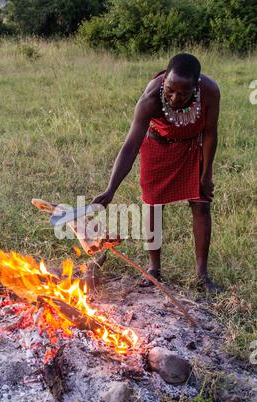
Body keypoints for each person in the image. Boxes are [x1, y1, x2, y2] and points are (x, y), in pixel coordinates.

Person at [92, 53, 221, 292]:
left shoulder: (210, 92)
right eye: (170, 89)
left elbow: (211, 133)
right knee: (153, 204)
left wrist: (206, 173)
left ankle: (202, 275)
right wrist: (111, 189)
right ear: (164, 82)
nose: (174, 97)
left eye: (182, 93)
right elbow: (130, 147)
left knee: (201, 204)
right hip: (158, 146)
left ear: (196, 86)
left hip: (193, 147)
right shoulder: (151, 99)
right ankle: (154, 268)